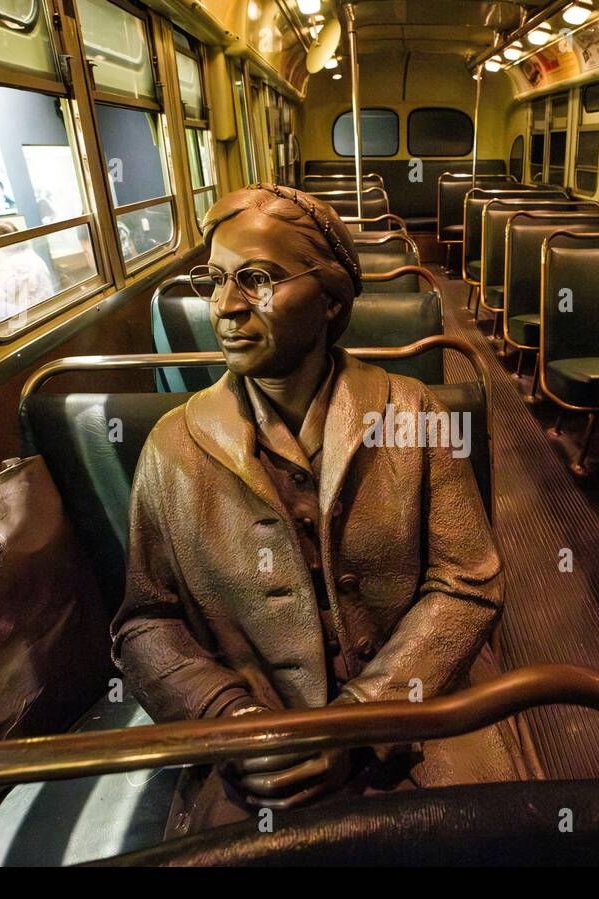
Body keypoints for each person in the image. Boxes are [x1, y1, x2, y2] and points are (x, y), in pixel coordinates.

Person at [111, 184, 529, 835]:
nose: (226, 307)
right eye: (214, 280)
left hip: (420, 714)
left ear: (332, 298)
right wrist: (229, 720)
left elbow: (468, 581)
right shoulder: (172, 446)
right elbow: (146, 623)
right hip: (260, 749)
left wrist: (363, 720)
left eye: (257, 280)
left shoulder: (414, 412)